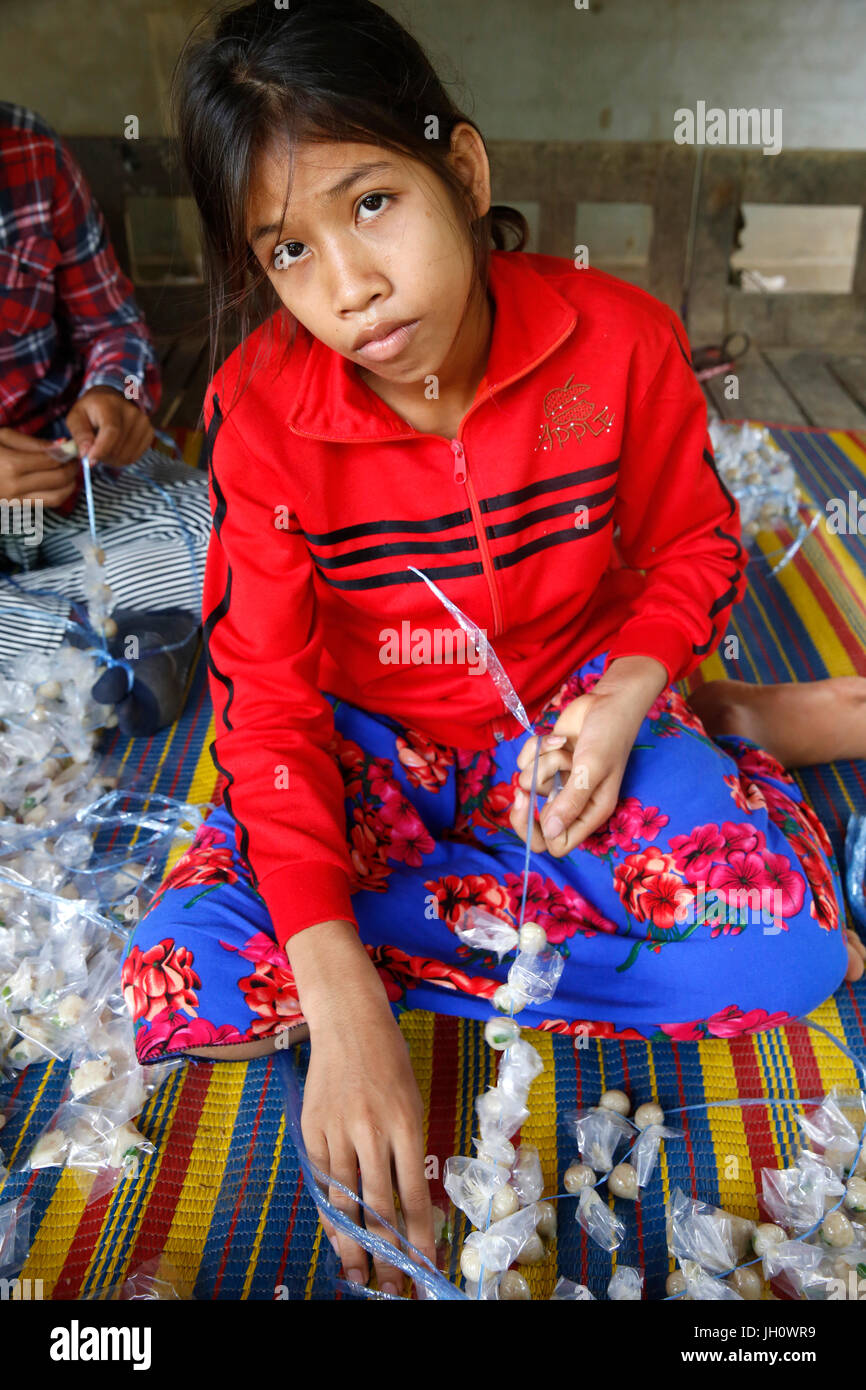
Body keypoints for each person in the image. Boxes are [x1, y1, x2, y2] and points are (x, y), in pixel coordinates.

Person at [120, 0, 866, 1294]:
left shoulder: (615, 342)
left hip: (571, 720)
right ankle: (715, 740)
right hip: (370, 752)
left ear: (460, 171)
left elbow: (693, 544)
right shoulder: (261, 416)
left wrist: (632, 689)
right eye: (287, 247)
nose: (347, 287)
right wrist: (342, 993)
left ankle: (699, 717)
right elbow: (267, 706)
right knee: (179, 984)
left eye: (369, 204)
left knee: (795, 945)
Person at [0, 101, 211, 725]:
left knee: (236, 533)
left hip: (68, 492)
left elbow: (111, 327)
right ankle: (112, 641)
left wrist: (114, 393)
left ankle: (63, 652)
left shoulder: (30, 154)